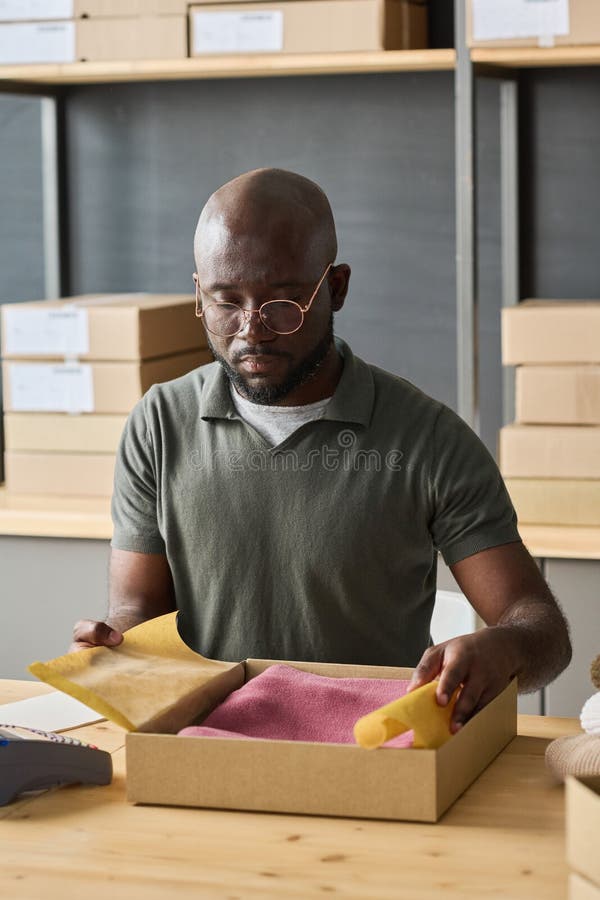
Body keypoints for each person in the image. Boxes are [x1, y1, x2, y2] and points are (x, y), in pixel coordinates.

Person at [70, 168, 572, 733]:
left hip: (373, 752)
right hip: (202, 745)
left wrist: (504, 646)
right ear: (199, 293)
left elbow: (541, 629)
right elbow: (140, 614)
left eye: (283, 302)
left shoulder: (428, 439)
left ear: (335, 287)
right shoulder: (159, 425)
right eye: (225, 302)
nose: (251, 330)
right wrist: (116, 645)